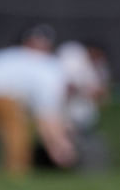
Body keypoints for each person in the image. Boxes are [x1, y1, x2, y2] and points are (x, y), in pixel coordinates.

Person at [0, 25, 75, 179]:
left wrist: (54, 143)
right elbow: (47, 117)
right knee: (17, 130)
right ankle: (17, 172)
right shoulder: (52, 70)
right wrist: (59, 146)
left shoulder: (22, 55)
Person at [36, 39, 111, 173]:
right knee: (59, 145)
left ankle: (81, 171)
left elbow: (102, 96)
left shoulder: (99, 68)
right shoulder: (72, 56)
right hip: (62, 116)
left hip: (83, 119)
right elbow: (67, 88)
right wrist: (85, 90)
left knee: (83, 147)